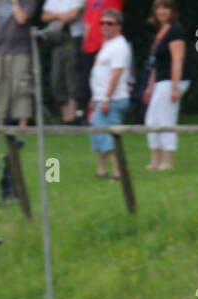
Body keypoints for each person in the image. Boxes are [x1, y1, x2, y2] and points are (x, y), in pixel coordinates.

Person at [142, 0, 187, 171]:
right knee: (151, 120)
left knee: (165, 120)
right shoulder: (160, 32)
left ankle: (168, 161)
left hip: (171, 80)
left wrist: (175, 87)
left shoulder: (176, 30)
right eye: (159, 8)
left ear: (172, 11)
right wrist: (149, 86)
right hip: (160, 80)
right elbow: (156, 64)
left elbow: (177, 59)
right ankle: (155, 160)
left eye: (166, 8)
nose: (162, 11)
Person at [0, 0, 39, 126]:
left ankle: (23, 124)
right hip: (0, 50)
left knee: (21, 86)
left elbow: (21, 19)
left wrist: (15, 3)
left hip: (20, 50)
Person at [88, 7, 131, 179]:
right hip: (101, 98)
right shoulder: (108, 44)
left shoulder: (119, 46)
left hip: (112, 98)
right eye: (102, 23)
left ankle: (118, 171)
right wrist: (95, 97)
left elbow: (116, 73)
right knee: (98, 135)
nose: (105, 26)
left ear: (118, 26)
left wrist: (106, 99)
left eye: (110, 23)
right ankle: (102, 169)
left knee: (109, 136)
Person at [76, 0, 124, 120]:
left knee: (106, 80)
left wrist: (108, 43)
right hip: (89, 47)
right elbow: (87, 22)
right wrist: (84, 43)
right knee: (89, 83)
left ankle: (99, 113)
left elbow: (116, 20)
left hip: (103, 44)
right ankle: (90, 115)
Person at [42, 1, 84, 123]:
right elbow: (44, 16)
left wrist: (55, 15)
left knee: (72, 77)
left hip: (73, 38)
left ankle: (72, 117)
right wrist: (61, 16)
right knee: (57, 78)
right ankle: (66, 117)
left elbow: (73, 16)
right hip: (57, 40)